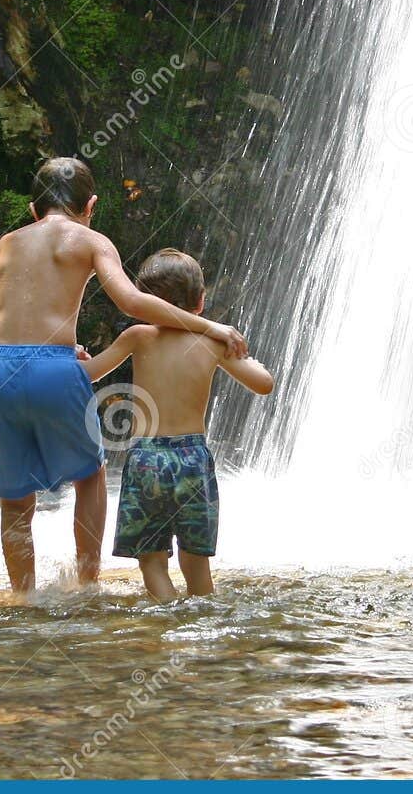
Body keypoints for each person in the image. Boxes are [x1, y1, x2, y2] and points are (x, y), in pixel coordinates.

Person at [0, 158, 247, 594]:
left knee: (15, 494)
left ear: (33, 209)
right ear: (91, 205)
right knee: (90, 473)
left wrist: (65, 344)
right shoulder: (91, 240)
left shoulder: (8, 242)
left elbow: (6, 312)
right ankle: (86, 585)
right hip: (53, 368)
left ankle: (23, 597)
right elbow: (132, 302)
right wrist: (208, 326)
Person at [79, 248, 274, 600]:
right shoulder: (213, 342)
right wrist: (242, 352)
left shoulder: (138, 336)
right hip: (193, 459)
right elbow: (264, 384)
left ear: (147, 303)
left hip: (147, 460)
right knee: (196, 563)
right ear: (200, 302)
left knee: (151, 560)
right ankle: (201, 622)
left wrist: (75, 358)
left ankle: (169, 620)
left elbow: (88, 375)